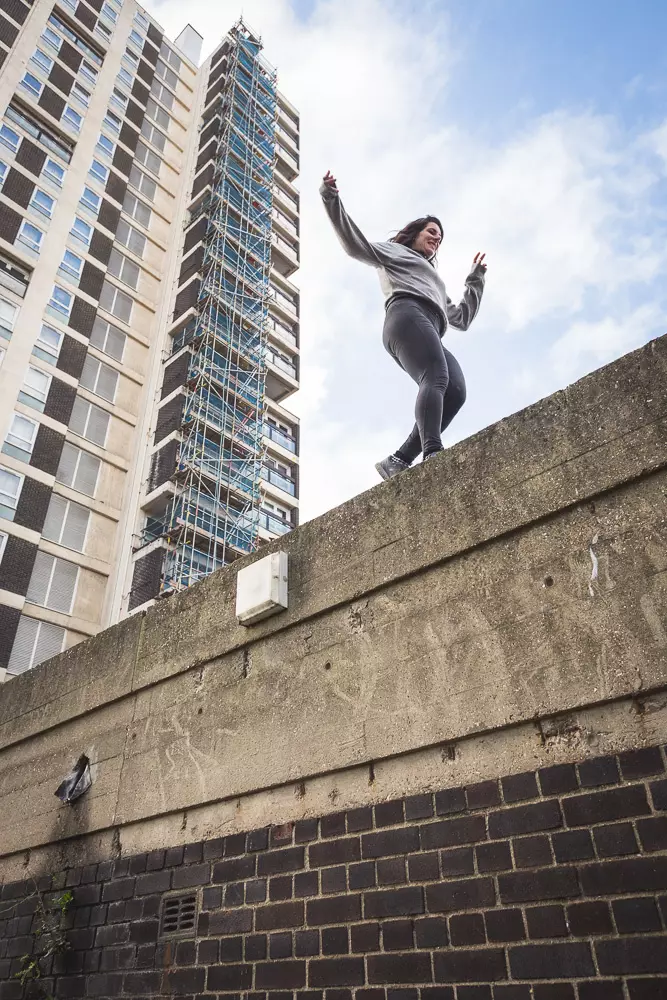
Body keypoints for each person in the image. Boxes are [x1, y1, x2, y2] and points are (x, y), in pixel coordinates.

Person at [320, 170, 487, 480]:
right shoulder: (394, 252)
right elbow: (353, 243)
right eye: (432, 231)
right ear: (416, 233)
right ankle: (433, 451)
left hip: (430, 325)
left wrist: (475, 279)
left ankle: (398, 460)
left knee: (456, 391)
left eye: (440, 237)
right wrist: (331, 198)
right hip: (405, 314)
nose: (437, 238)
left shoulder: (434, 280)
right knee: (435, 375)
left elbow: (461, 318)